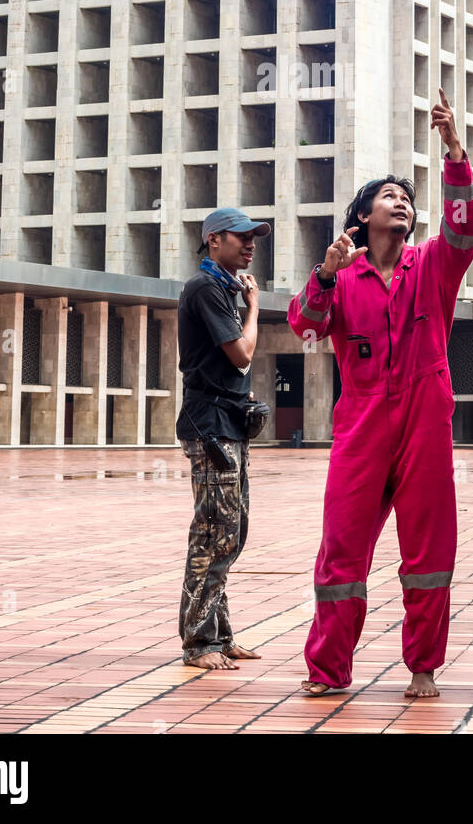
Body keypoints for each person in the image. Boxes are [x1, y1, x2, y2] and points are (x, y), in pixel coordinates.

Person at [288, 89, 473, 699]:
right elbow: (307, 324)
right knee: (341, 551)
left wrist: (453, 149)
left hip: (426, 419)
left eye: (406, 199)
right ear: (363, 217)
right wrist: (324, 273)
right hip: (363, 423)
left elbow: (466, 222)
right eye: (388, 197)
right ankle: (328, 669)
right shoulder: (341, 277)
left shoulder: (434, 265)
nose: (400, 204)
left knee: (429, 549)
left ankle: (423, 667)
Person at [176, 207, 270, 671]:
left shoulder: (224, 287)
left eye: (254, 238)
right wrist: (254, 309)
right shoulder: (207, 288)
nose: (250, 244)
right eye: (241, 237)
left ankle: (220, 633)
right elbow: (242, 353)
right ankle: (198, 643)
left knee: (231, 531)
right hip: (208, 425)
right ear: (213, 240)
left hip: (228, 423)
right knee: (214, 531)